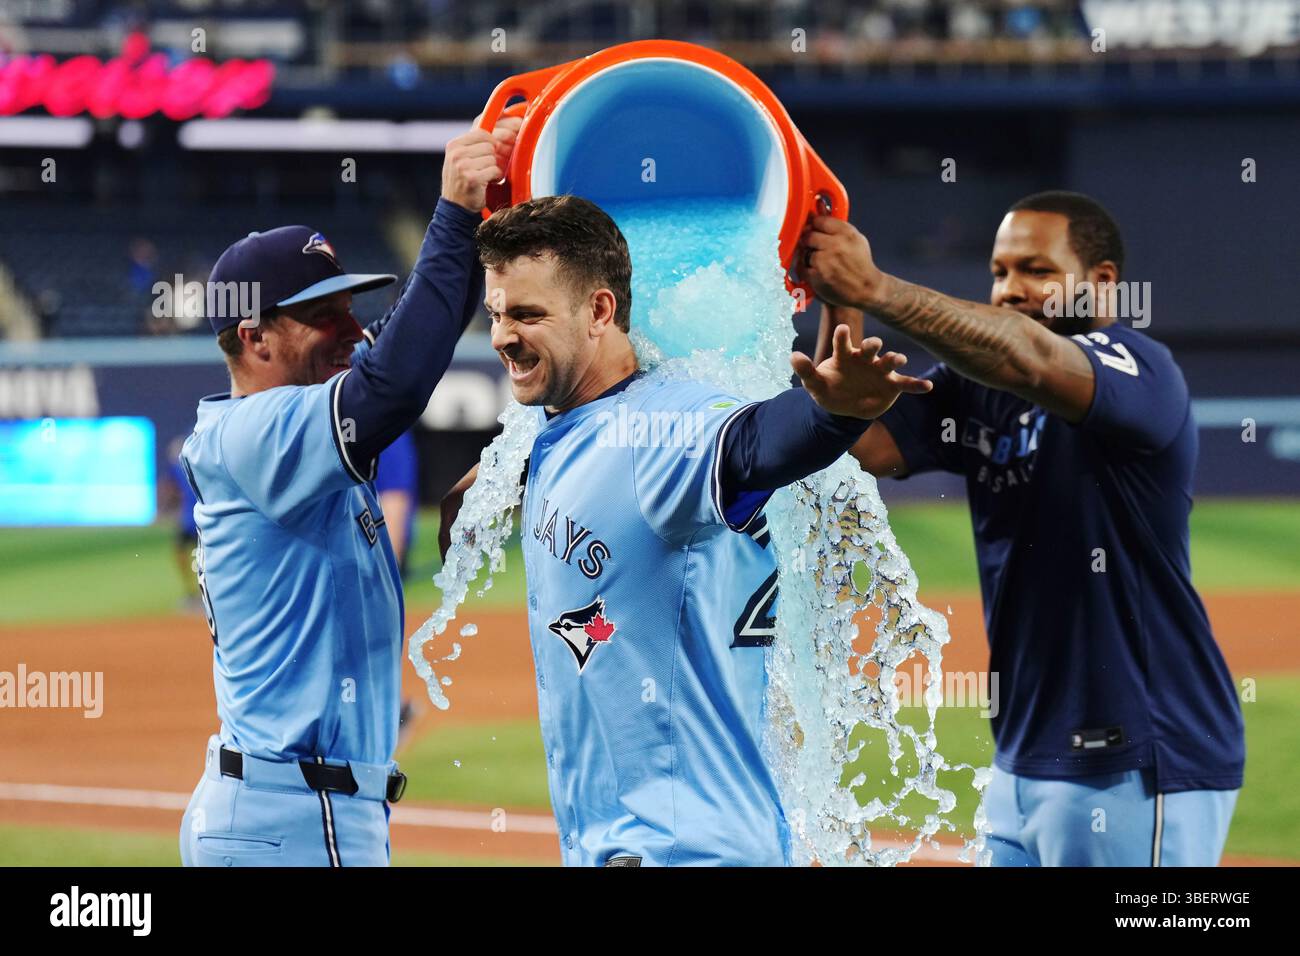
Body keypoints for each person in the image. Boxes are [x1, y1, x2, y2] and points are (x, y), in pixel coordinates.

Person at [439, 195, 932, 866]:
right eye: (496, 313)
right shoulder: (572, 422)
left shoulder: (668, 428)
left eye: (527, 314)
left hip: (679, 850)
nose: (501, 335)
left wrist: (832, 417)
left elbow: (757, 442)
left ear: (600, 312)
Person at [798, 190, 1245, 866]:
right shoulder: (976, 388)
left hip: (1136, 756)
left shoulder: (1141, 370)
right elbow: (868, 443)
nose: (1010, 289)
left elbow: (1027, 358)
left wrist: (877, 287)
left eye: (1036, 271)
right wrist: (842, 306)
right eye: (1000, 271)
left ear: (1100, 284)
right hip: (1021, 761)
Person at [176, 115, 520, 867]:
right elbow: (393, 383)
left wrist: (488, 216)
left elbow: (408, 349)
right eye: (321, 315)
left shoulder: (287, 437)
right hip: (291, 818)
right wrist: (454, 212)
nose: (352, 328)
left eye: (350, 305)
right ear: (254, 338)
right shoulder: (254, 432)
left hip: (291, 812)